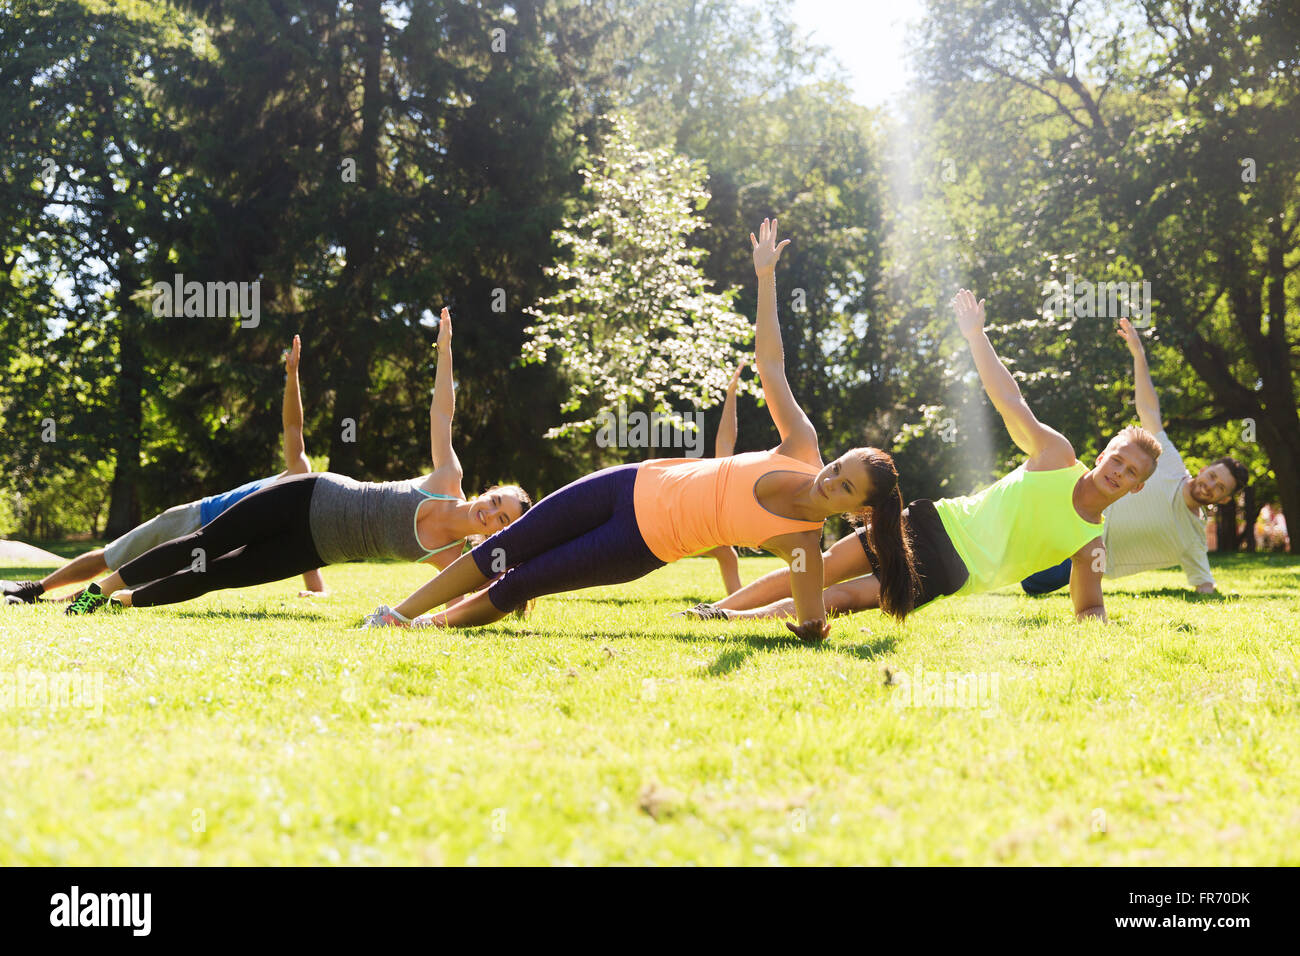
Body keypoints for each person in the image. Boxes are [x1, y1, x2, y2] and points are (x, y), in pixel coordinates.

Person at [361, 220, 920, 642]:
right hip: (627, 484)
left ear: (858, 511)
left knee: (521, 582)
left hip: (637, 544)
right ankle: (397, 613)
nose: (829, 479)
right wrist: (766, 278)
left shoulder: (804, 546)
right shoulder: (800, 445)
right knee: (509, 545)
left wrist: (813, 628)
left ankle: (427, 626)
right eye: (838, 466)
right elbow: (771, 367)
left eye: (844, 487)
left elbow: (808, 616)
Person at [686, 289, 1163, 625]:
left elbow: (1088, 607)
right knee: (823, 563)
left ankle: (730, 618)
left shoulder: (1091, 543)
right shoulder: (1057, 456)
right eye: (1118, 459)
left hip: (954, 571)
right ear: (1104, 453)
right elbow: (1010, 402)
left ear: (1137, 486)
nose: (1118, 472)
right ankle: (720, 610)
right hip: (937, 520)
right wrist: (977, 336)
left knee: (850, 597)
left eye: (1131, 473)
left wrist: (1100, 628)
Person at [62, 309, 530, 614]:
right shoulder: (447, 480)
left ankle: (125, 601)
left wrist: (524, 577)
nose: (490, 512)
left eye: (501, 518)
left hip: (311, 550)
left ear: (498, 532)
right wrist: (445, 352)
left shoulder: (450, 557)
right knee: (203, 544)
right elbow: (442, 413)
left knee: (218, 574)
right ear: (487, 492)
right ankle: (96, 592)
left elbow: (473, 600)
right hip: (308, 496)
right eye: (495, 500)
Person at [2, 336, 326, 605]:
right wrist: (292, 374)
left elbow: (309, 570)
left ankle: (62, 602)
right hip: (196, 518)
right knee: (114, 556)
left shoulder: (304, 525)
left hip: (211, 545)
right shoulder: (301, 473)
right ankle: (34, 589)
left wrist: (318, 595)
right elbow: (293, 426)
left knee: (136, 574)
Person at [1020, 317, 1247, 596]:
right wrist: (1139, 355)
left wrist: (1210, 593)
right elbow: (1149, 412)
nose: (1210, 485)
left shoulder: (1194, 538)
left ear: (1223, 499)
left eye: (1220, 488)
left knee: (1032, 583)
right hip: (1077, 508)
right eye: (1212, 476)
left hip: (1088, 557)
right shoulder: (1172, 465)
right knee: (1022, 514)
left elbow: (1204, 582)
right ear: (1203, 470)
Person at [703, 359, 747, 595]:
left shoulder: (724, 548)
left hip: (686, 535)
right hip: (664, 522)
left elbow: (725, 442)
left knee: (727, 554)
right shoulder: (721, 482)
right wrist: (731, 395)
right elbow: (725, 440)